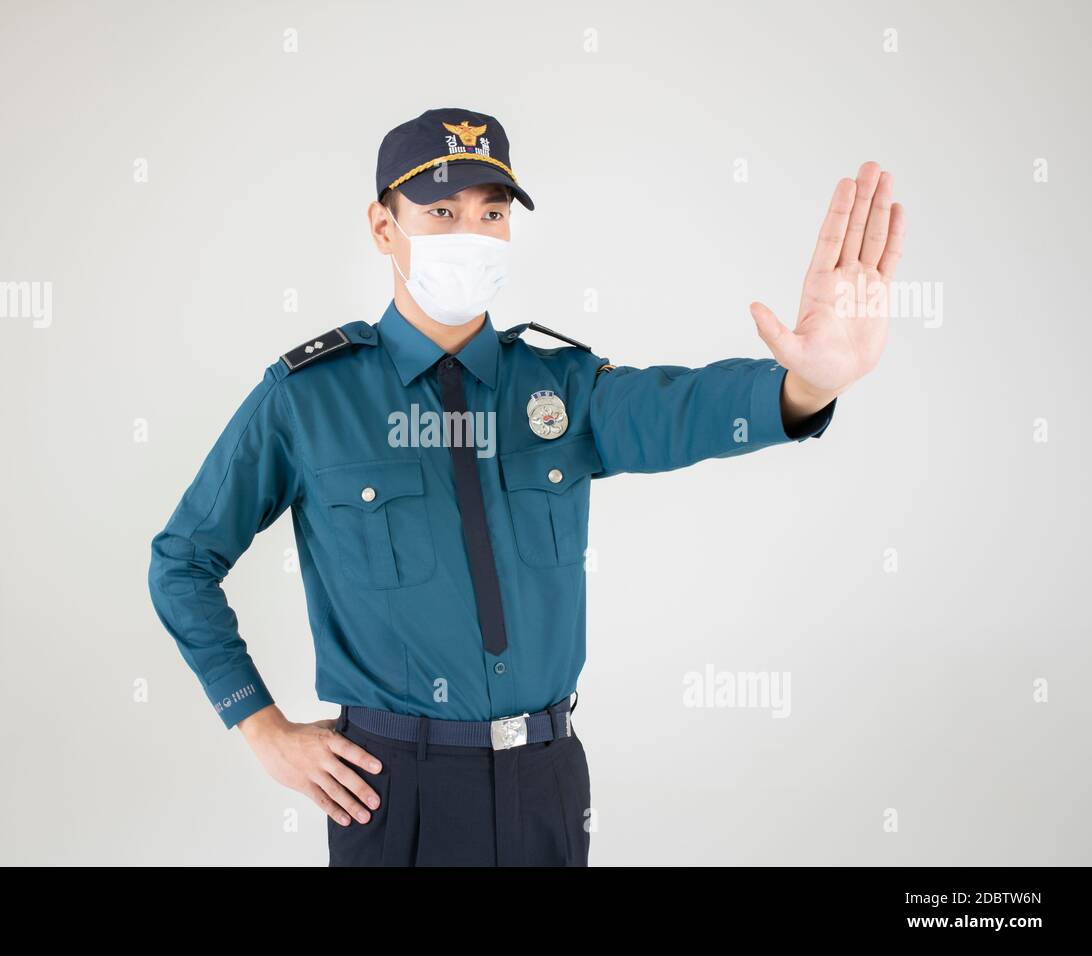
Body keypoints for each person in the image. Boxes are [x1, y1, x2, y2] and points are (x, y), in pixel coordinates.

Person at [147, 107, 906, 866]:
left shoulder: (560, 386)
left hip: (548, 779)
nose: (469, 233)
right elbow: (183, 560)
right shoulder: (310, 398)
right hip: (391, 787)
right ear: (384, 228)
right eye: (440, 212)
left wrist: (805, 385)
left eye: (490, 212)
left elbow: (680, 409)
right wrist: (259, 726)